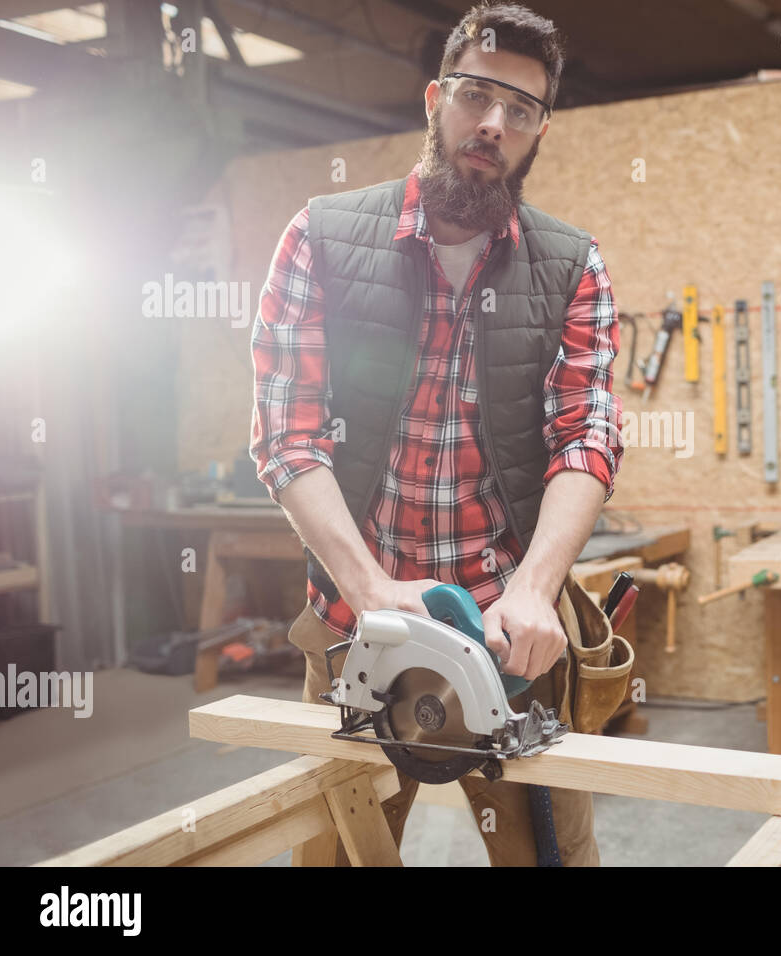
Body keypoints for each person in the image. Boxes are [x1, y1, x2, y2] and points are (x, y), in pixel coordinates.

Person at [248, 2, 623, 866]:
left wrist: (534, 590)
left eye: (520, 110)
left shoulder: (573, 264)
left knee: (552, 857)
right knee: (339, 852)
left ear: (537, 133)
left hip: (511, 640)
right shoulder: (321, 238)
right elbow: (287, 434)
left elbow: (586, 438)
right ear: (434, 99)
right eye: (475, 95)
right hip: (356, 630)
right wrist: (371, 588)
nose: (493, 123)